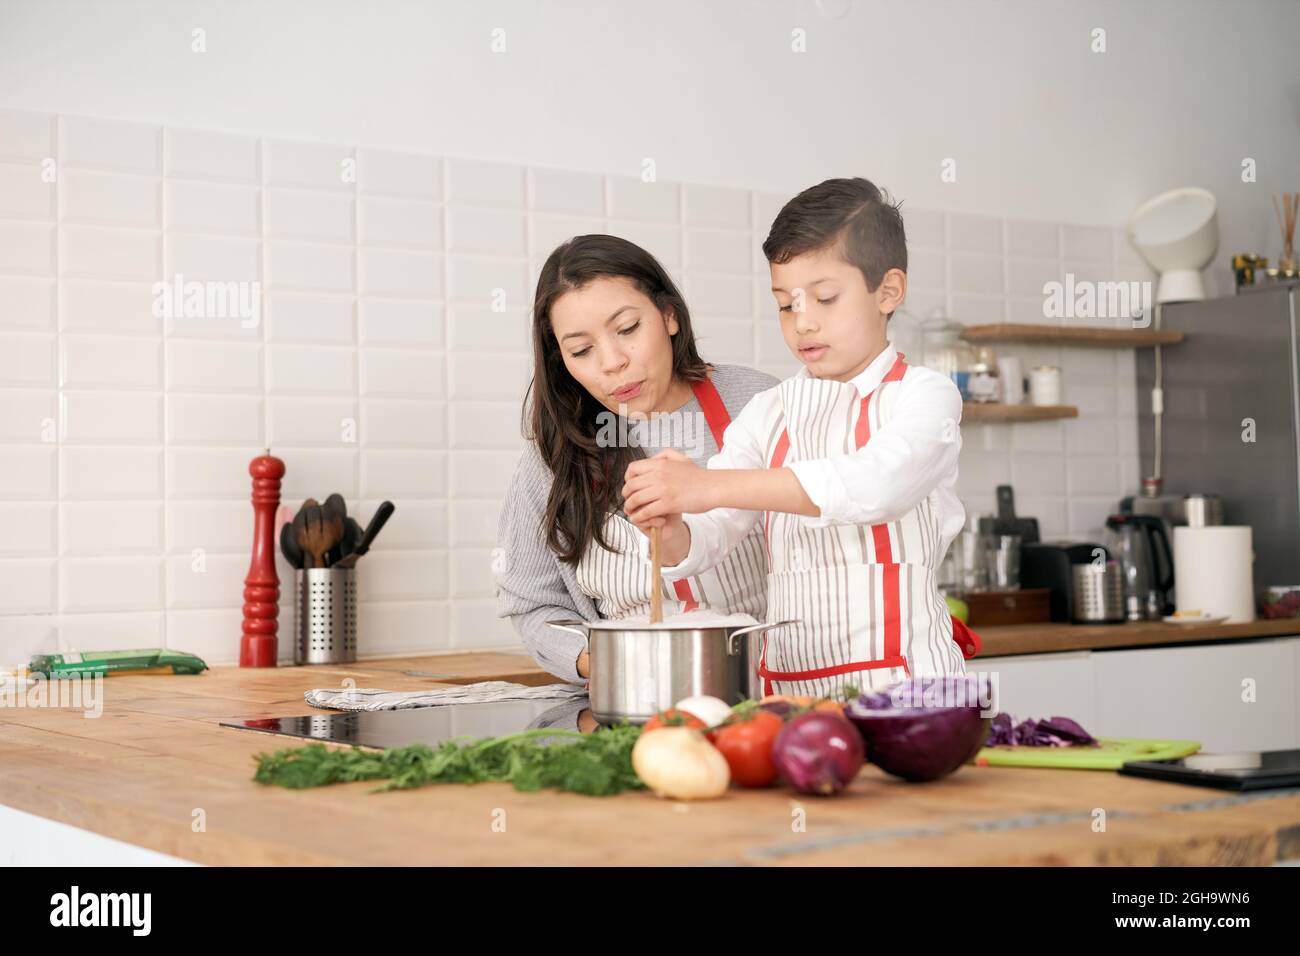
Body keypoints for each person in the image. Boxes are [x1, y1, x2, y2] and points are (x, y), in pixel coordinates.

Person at [621, 178, 980, 698]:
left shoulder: (924, 397)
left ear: (889, 291)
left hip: (909, 690)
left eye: (825, 298)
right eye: (786, 305)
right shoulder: (771, 411)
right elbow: (712, 531)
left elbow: (873, 486)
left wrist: (700, 486)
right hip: (788, 696)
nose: (803, 323)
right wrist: (674, 524)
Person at [494, 235, 779, 726]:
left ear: (669, 316)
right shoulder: (555, 455)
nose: (611, 363)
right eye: (580, 349)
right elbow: (533, 603)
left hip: (772, 701)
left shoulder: (760, 403)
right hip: (634, 712)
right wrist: (611, 661)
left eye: (627, 328)